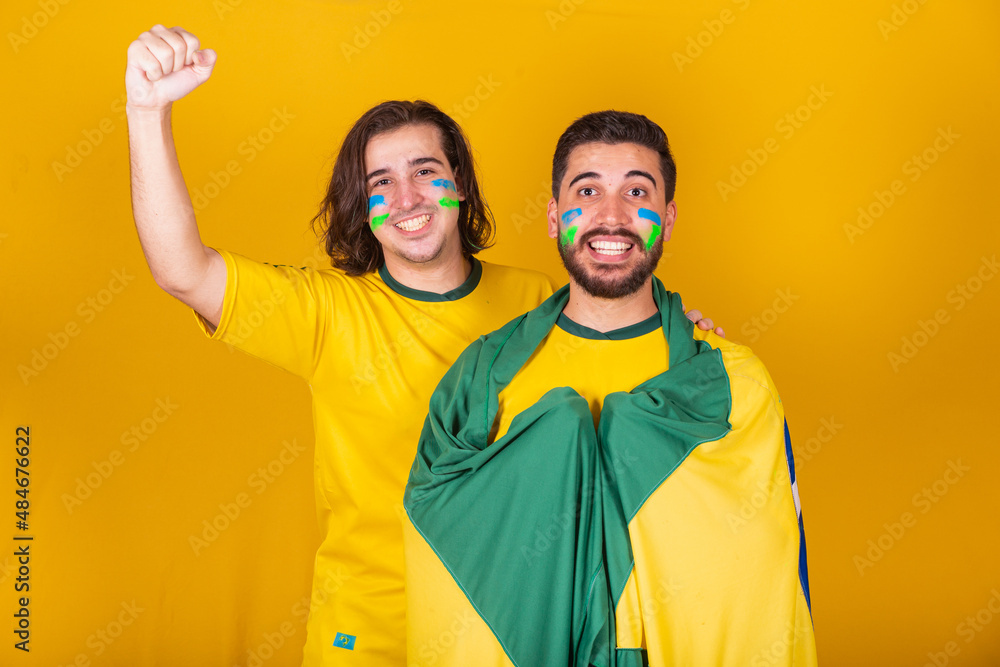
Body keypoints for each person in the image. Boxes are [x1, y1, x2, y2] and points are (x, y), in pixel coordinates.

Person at [125, 24, 726, 666]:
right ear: (363, 205)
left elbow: (615, 399)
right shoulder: (328, 311)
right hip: (367, 639)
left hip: (503, 632)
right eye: (380, 182)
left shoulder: (536, 300)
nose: (406, 197)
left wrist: (673, 335)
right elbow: (181, 270)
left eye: (425, 171)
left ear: (459, 184)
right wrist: (147, 111)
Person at [404, 111, 817, 666]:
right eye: (588, 190)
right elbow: (442, 544)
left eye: (637, 192)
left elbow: (766, 586)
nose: (612, 216)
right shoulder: (482, 379)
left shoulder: (728, 384)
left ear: (667, 219)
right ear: (554, 217)